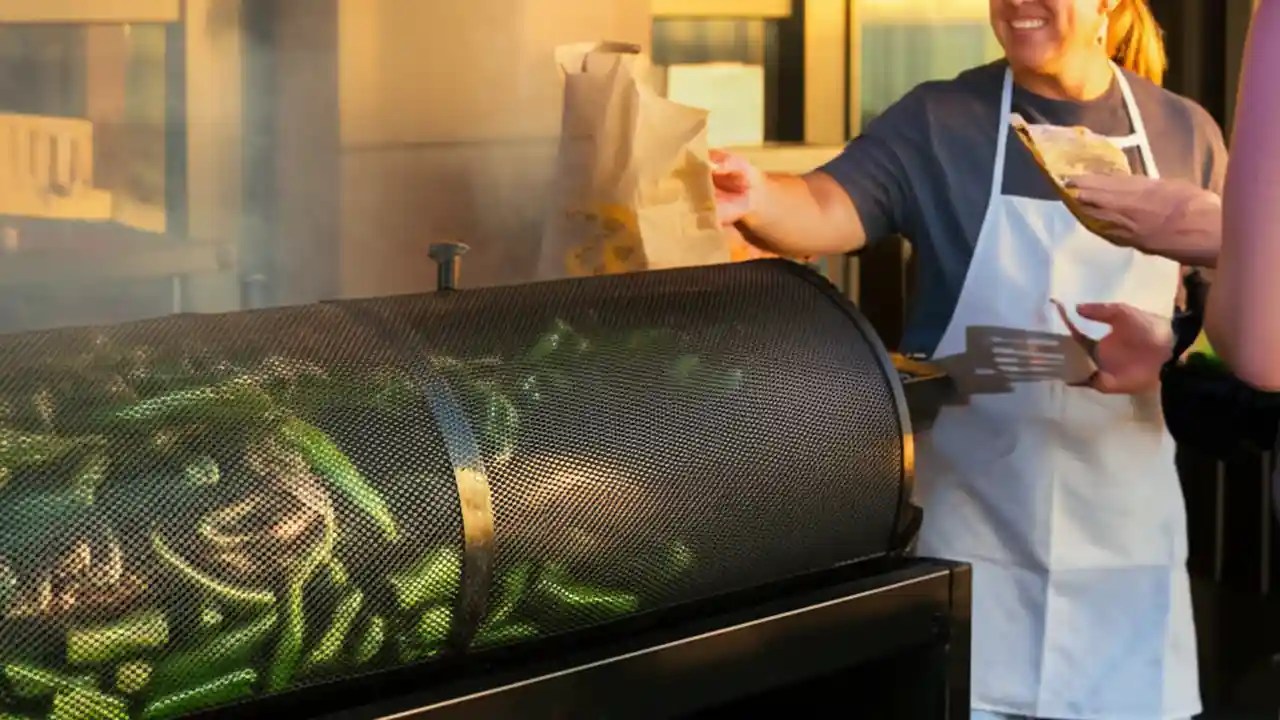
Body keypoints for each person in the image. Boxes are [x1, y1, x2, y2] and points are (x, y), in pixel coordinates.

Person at [711, 0, 1228, 717]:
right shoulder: (941, 120)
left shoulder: (1183, 131)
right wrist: (757, 194)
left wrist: (1170, 347)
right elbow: (825, 206)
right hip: (970, 544)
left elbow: (1233, 332)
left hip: (1125, 558)